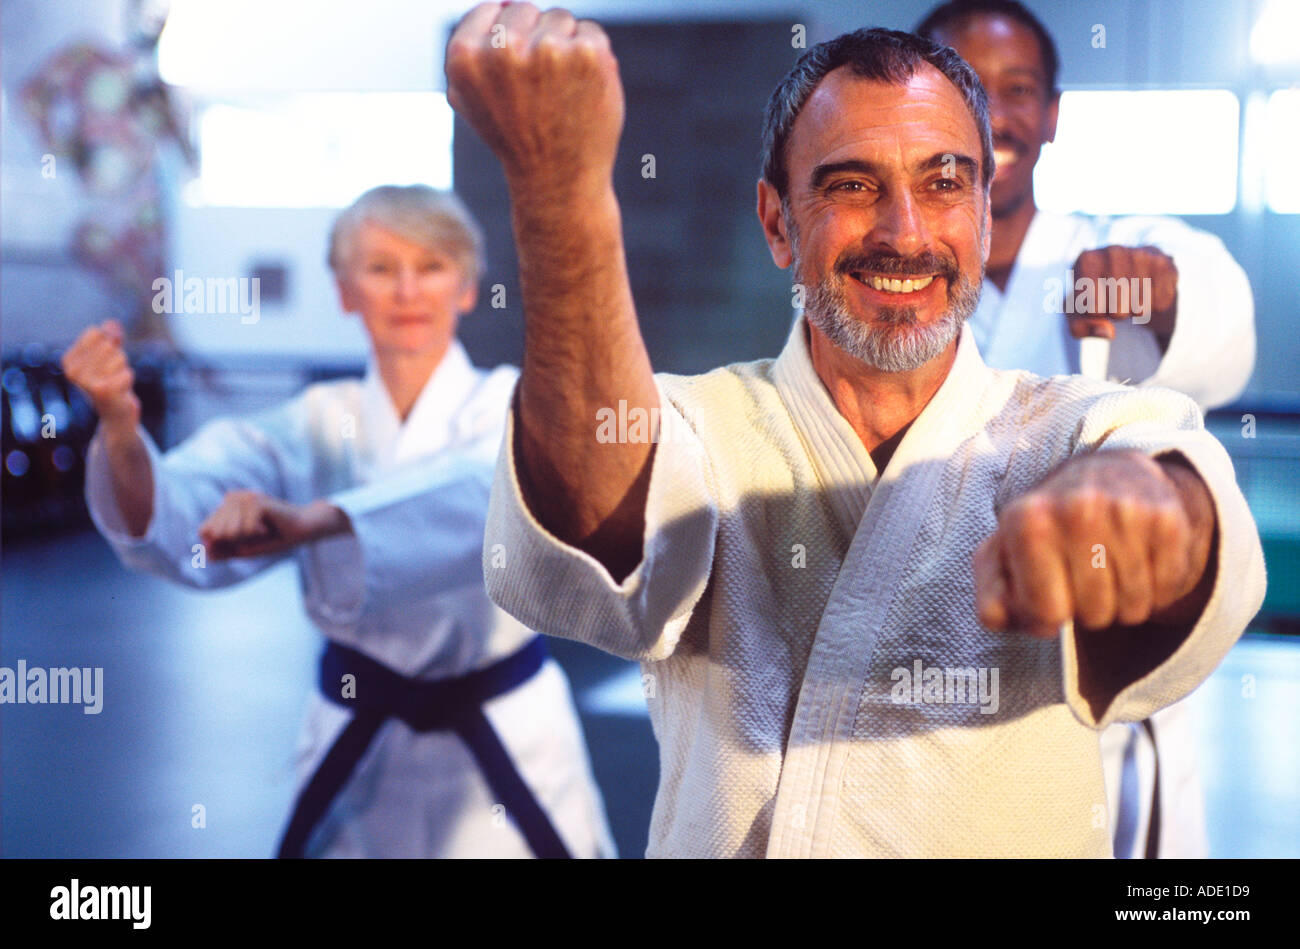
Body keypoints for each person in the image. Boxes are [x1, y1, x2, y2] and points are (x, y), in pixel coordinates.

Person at [448, 3, 1265, 858]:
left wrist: (1148, 513)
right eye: (851, 185)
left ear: (986, 214)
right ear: (776, 223)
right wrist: (560, 188)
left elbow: (1177, 485)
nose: (905, 232)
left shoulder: (1078, 427)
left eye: (944, 183)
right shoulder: (702, 423)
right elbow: (596, 510)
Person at [62, 184, 615, 859]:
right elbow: (178, 516)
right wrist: (121, 427)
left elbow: (484, 494)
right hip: (359, 737)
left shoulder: (514, 403)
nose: (408, 289)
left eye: (433, 266)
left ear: (467, 289)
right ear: (345, 291)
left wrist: (316, 521)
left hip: (508, 736)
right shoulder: (317, 422)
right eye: (381, 268)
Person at [916, 0, 1256, 858]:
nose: (993, 114)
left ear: (1055, 116)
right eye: (963, 87)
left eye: (1018, 89)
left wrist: (1162, 287)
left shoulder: (1111, 249)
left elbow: (1228, 331)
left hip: (1086, 713)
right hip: (924, 719)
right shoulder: (887, 281)